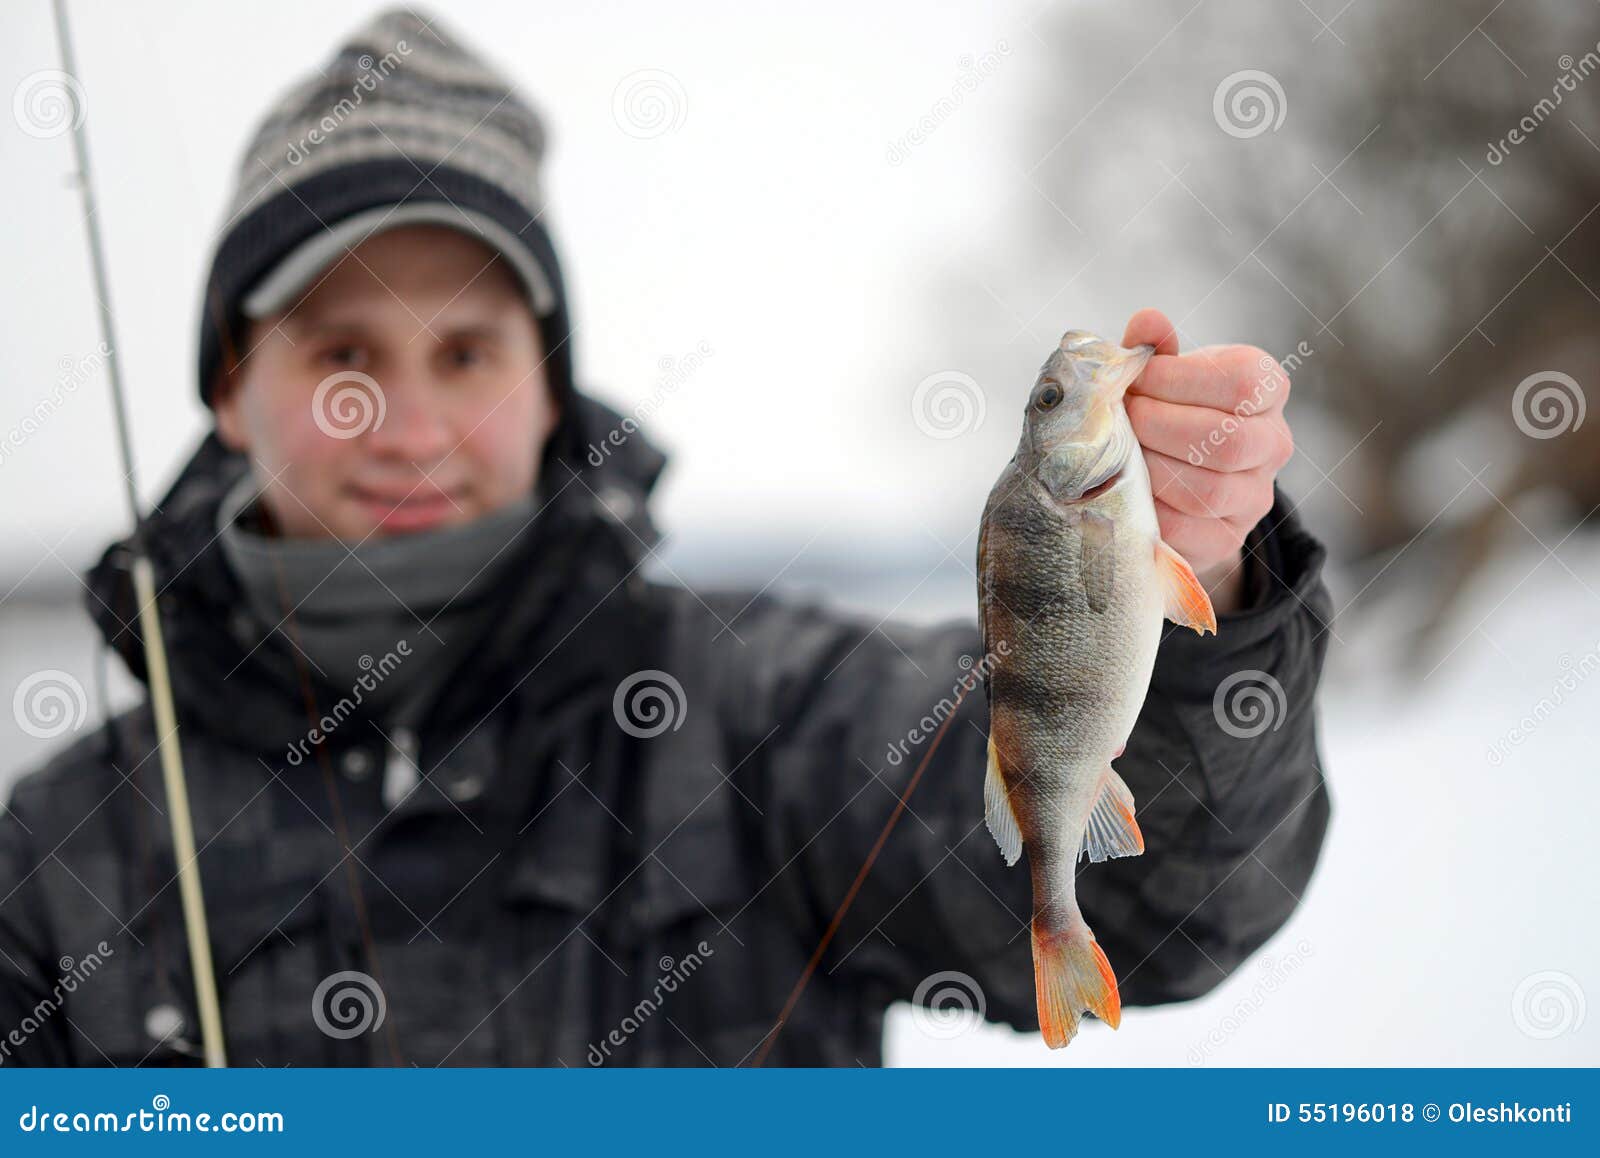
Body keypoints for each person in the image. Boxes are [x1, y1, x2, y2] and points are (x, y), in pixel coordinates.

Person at [0, 9, 1330, 1066]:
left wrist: (1203, 591)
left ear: (550, 383)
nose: (404, 422)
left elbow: (1174, 916)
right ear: (231, 385)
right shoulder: (53, 851)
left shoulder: (767, 711)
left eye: (466, 350)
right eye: (342, 353)